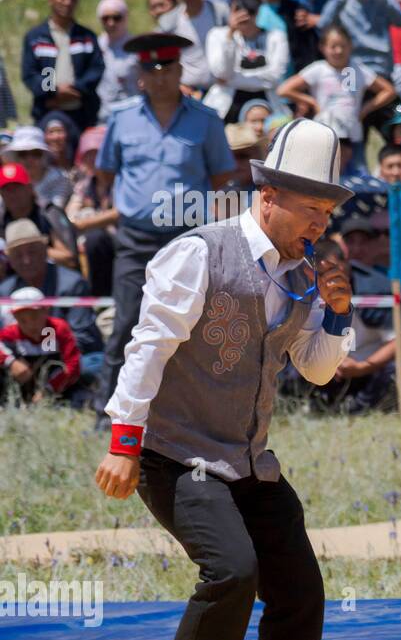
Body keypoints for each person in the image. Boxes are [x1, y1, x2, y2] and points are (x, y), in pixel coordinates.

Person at [93, 117, 354, 640]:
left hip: (246, 461)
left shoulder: (301, 270)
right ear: (268, 195)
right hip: (174, 453)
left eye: (327, 211)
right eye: (312, 209)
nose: (321, 223)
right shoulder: (199, 253)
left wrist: (341, 313)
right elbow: (146, 349)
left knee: (298, 587)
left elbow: (317, 369)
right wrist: (123, 441)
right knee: (233, 568)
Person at [93, 34, 236, 423]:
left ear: (179, 71)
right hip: (135, 238)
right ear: (141, 74)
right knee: (125, 322)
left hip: (186, 238)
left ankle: (190, 413)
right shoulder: (121, 119)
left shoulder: (205, 121)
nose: (159, 77)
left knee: (192, 326)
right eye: (151, 70)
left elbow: (222, 174)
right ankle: (108, 414)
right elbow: (105, 171)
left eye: (167, 69)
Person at [1, 217, 104, 380]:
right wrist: (13, 362)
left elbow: (84, 337)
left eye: (32, 251)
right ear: (10, 261)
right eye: (18, 255)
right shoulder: (4, 291)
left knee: (95, 364)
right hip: (20, 364)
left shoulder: (71, 283)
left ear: (45, 250)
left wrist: (42, 356)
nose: (26, 260)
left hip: (63, 357)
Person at [277, 24, 397, 144]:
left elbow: (389, 91)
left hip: (351, 133)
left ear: (350, 46)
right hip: (324, 132)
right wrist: (311, 101)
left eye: (343, 46)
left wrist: (365, 109)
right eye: (333, 46)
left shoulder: (359, 70)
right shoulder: (318, 69)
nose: (339, 51)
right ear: (322, 47)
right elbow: (284, 90)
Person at [319, 0, 401, 103]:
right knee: (350, 115)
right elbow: (323, 25)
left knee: (394, 120)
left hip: (380, 68)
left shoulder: (383, 0)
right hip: (350, 70)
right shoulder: (341, 1)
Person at [21, 0, 103, 132]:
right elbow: (30, 74)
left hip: (83, 114)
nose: (67, 2)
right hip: (47, 112)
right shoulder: (36, 37)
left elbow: (96, 68)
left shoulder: (86, 36)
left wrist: (75, 89)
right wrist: (54, 91)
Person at [204, 0, 290, 124]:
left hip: (268, 107)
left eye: (251, 10)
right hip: (227, 108)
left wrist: (232, 80)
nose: (246, 16)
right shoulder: (217, 35)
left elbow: (275, 77)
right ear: (231, 8)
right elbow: (222, 72)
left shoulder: (276, 36)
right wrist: (231, 35)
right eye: (239, 9)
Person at [0, 286, 89, 405]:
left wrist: (49, 389)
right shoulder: (11, 333)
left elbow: (73, 365)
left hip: (59, 388)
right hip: (25, 388)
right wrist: (11, 362)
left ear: (46, 310)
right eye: (23, 320)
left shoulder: (58, 329)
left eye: (34, 317)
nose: (31, 325)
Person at [157, 0, 228, 97]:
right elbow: (162, 58)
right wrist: (178, 85)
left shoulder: (219, 13)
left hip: (220, 90)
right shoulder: (168, 23)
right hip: (185, 92)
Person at [95, 0, 138, 118]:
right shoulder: (95, 46)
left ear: (125, 18)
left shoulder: (135, 47)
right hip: (102, 116)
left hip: (131, 113)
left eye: (116, 18)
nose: (111, 23)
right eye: (105, 18)